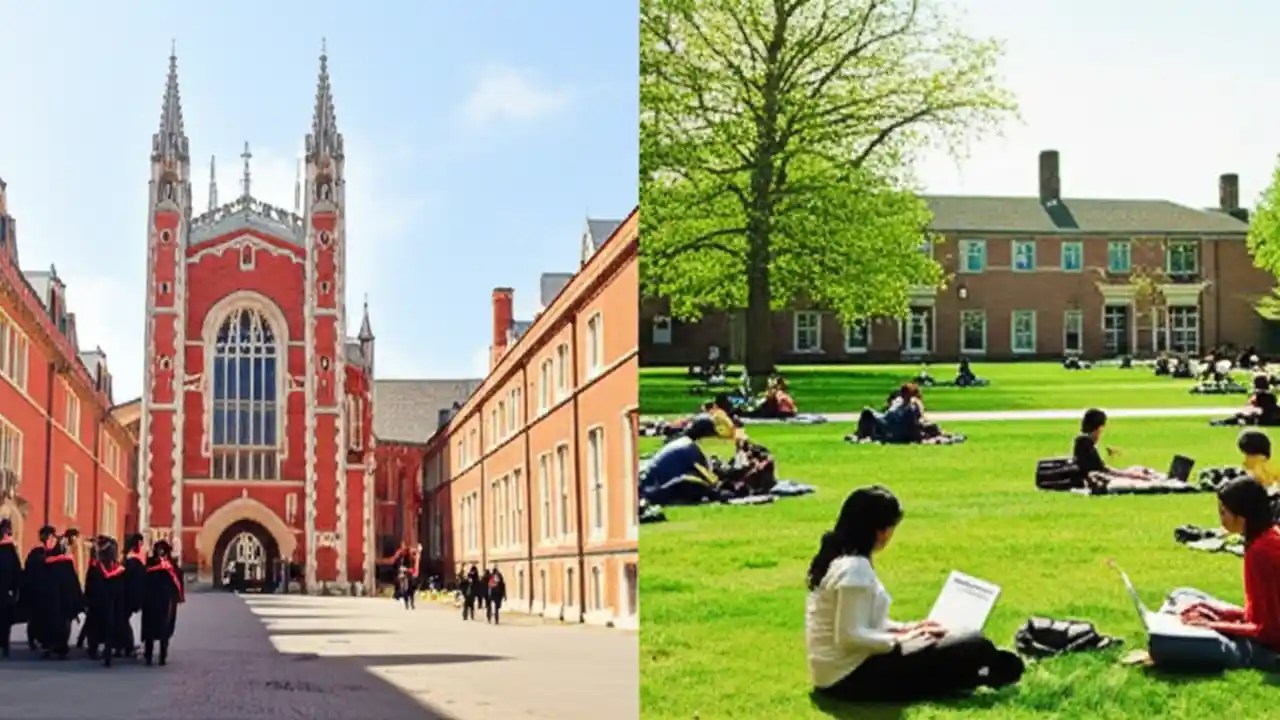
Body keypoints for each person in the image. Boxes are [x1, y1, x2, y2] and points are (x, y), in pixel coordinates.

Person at [805, 486, 1023, 701]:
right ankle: (984, 671)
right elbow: (849, 636)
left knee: (946, 637)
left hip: (839, 671)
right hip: (850, 675)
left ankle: (976, 672)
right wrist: (901, 640)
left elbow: (863, 620)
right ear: (879, 530)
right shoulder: (855, 569)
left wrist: (908, 627)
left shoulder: (839, 560)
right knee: (973, 642)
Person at [1150, 477, 1280, 671]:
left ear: (1241, 517)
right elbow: (1261, 613)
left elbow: (1267, 631)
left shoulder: (1260, 552)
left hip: (1267, 648)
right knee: (1183, 594)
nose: (1221, 519)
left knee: (1164, 645)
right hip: (1263, 631)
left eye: (1224, 512)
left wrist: (1213, 625)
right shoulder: (1268, 537)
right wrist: (1216, 613)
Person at [1071, 409, 1157, 486]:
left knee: (1137, 468)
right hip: (1101, 476)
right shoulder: (1085, 443)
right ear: (1099, 429)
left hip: (1100, 474)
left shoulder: (1082, 441)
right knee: (1138, 472)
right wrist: (1130, 475)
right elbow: (1102, 470)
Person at [86, 538, 129, 667]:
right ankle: (115, 647)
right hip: (112, 603)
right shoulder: (118, 570)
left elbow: (90, 586)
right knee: (113, 624)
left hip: (100, 603)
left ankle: (95, 649)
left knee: (96, 626)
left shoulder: (96, 568)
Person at [142, 540, 184, 666]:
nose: (160, 553)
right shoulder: (150, 564)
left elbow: (178, 581)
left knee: (164, 630)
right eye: (158, 550)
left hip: (165, 602)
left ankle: (162, 655)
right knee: (150, 630)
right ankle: (148, 655)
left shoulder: (171, 566)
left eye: (162, 550)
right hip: (151, 601)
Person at [42, 537, 84, 660]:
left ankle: (49, 646)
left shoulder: (48, 564)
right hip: (66, 600)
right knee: (64, 625)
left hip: (51, 600)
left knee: (50, 624)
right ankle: (61, 648)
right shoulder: (67, 564)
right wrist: (78, 599)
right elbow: (73, 582)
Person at [20, 525, 56, 651]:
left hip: (49, 592)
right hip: (36, 590)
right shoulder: (36, 553)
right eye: (46, 536)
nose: (48, 539)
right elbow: (29, 571)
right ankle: (32, 640)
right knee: (34, 617)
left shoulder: (55, 553)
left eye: (50, 536)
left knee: (46, 617)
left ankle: (46, 641)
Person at [123, 533, 147, 654]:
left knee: (124, 618)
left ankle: (127, 644)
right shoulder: (133, 560)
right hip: (131, 593)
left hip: (132, 593)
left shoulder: (131, 559)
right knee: (123, 619)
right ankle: (128, 644)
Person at [0, 519, 20, 658]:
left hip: (5, 590)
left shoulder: (9, 548)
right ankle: (4, 646)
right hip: (6, 590)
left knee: (4, 619)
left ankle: (5, 645)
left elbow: (15, 570)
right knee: (4, 620)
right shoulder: (10, 549)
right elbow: (16, 570)